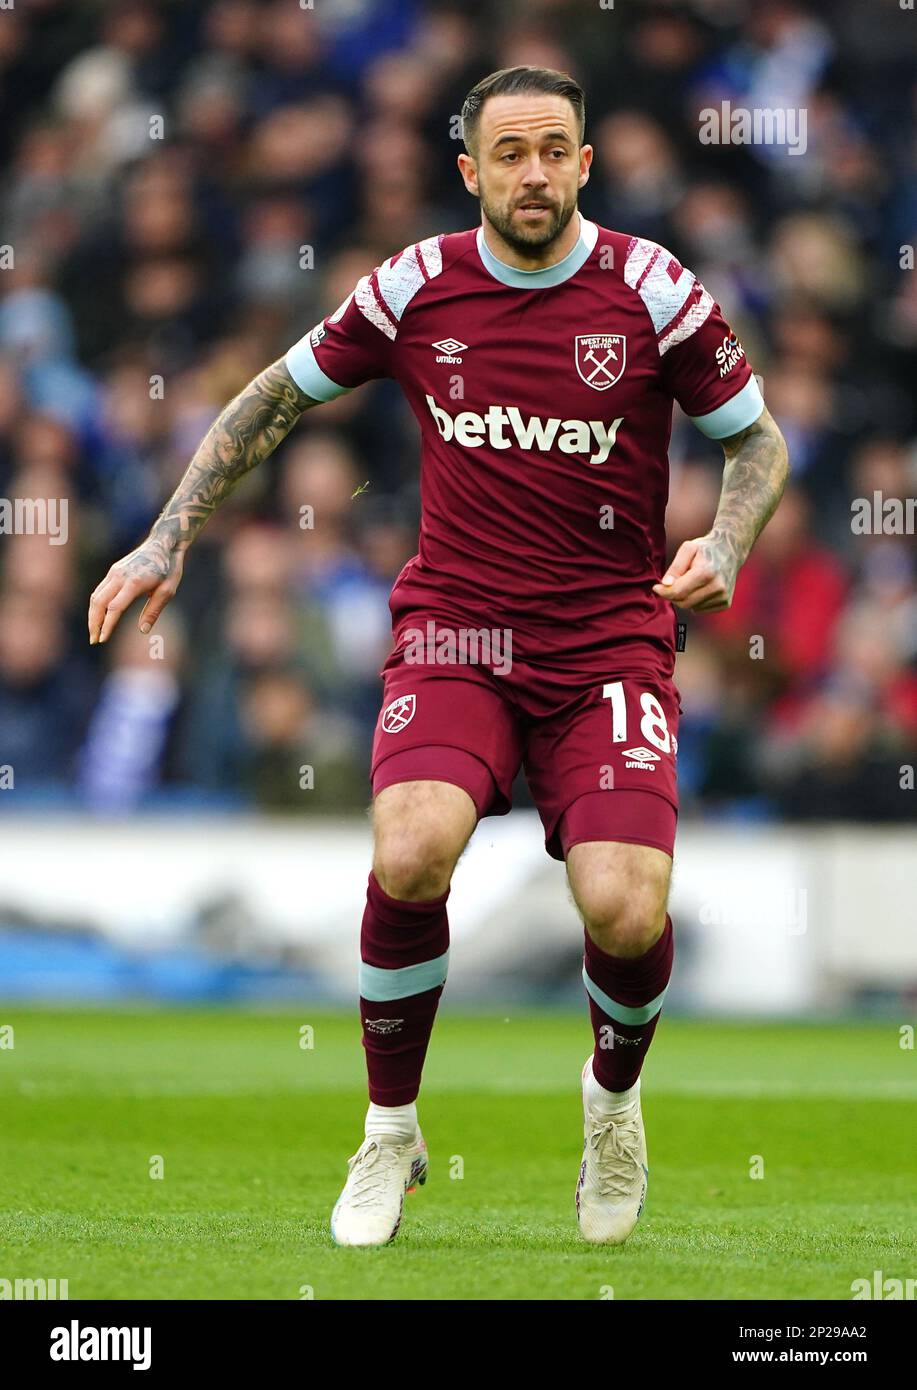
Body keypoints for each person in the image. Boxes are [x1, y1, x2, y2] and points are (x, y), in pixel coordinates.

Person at [87, 65, 789, 1248]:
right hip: (456, 629)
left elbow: (756, 443)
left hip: (607, 637)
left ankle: (611, 1102)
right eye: (507, 153)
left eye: (553, 150)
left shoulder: (653, 290)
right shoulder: (414, 286)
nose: (532, 173)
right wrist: (167, 535)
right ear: (468, 170)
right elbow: (273, 395)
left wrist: (722, 538)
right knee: (411, 847)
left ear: (582, 163)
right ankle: (388, 1128)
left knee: (622, 908)